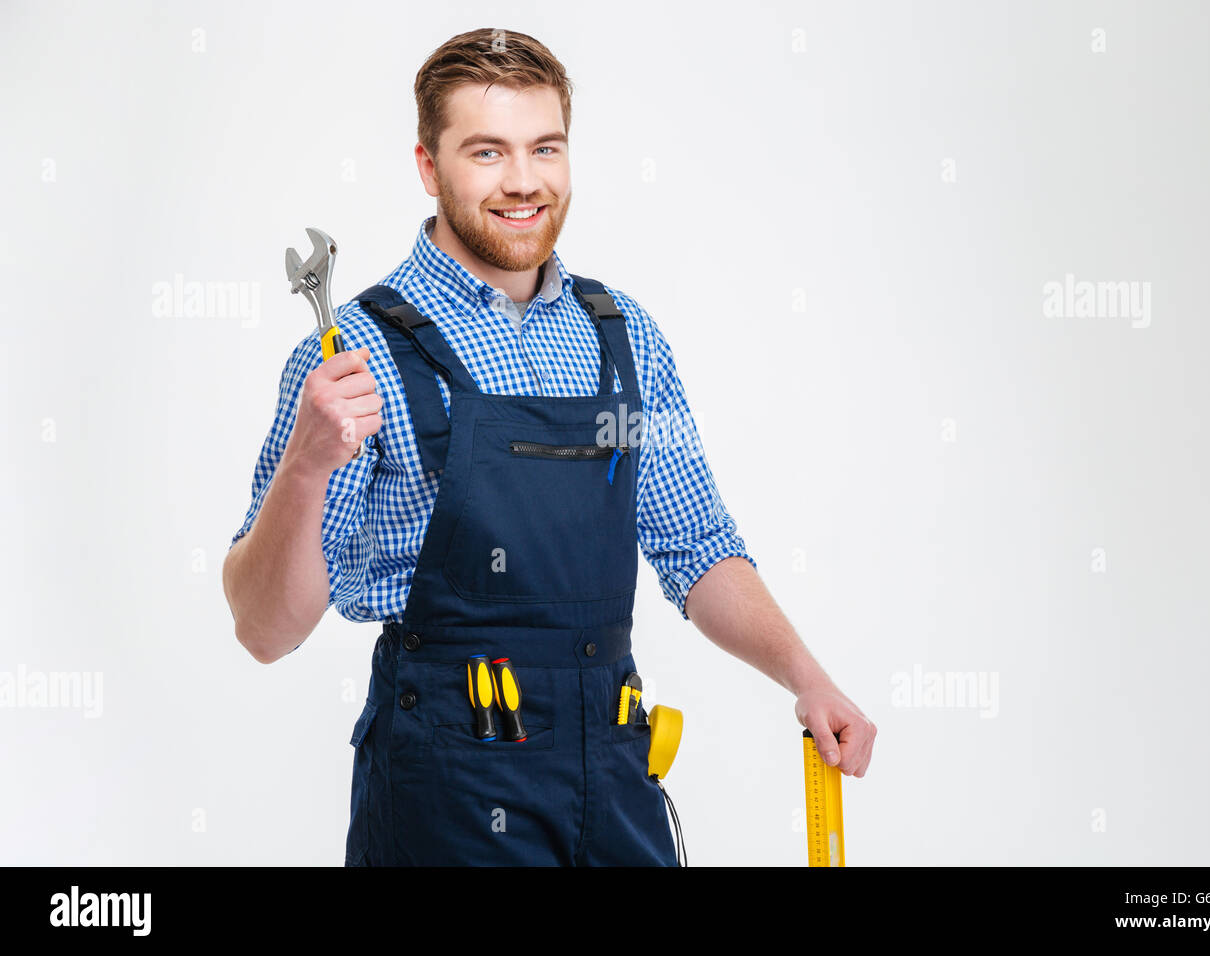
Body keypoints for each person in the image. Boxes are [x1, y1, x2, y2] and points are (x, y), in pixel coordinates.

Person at [222, 27, 875, 866]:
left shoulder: (623, 334)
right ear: (428, 166)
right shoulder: (356, 356)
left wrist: (807, 677)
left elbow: (698, 546)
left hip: (612, 767)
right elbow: (263, 629)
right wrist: (308, 467)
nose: (523, 181)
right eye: (487, 152)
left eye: (546, 148)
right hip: (445, 787)